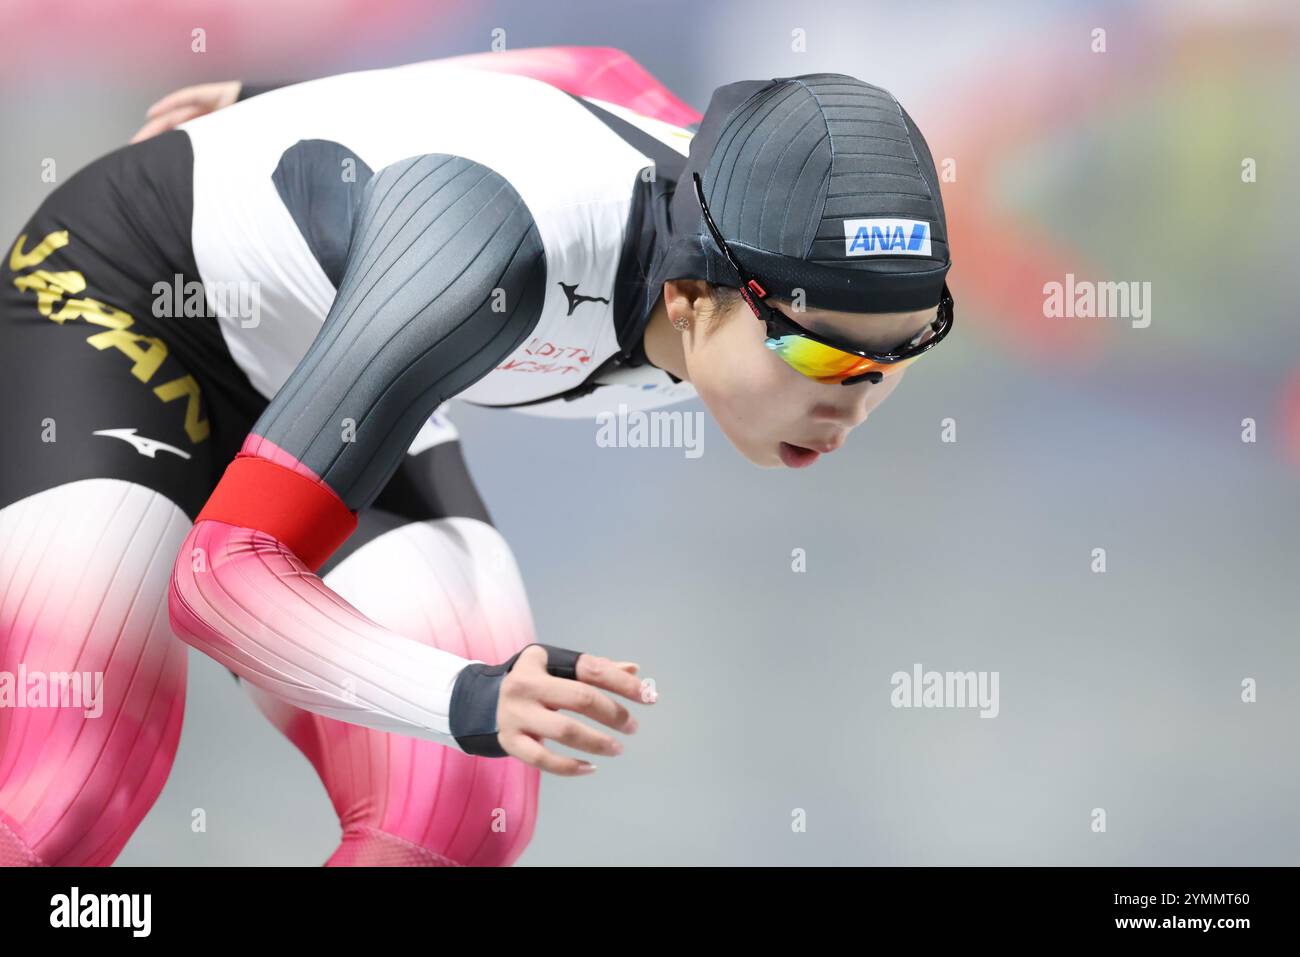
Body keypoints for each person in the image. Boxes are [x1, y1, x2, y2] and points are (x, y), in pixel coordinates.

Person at [0, 46, 953, 867]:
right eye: (827, 351)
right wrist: (470, 696)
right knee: (72, 781)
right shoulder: (485, 256)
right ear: (691, 294)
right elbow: (219, 585)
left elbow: (589, 73)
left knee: (458, 812)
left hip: (349, 349)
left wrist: (284, 94)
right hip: (126, 303)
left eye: (904, 348)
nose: (857, 401)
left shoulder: (733, 195)